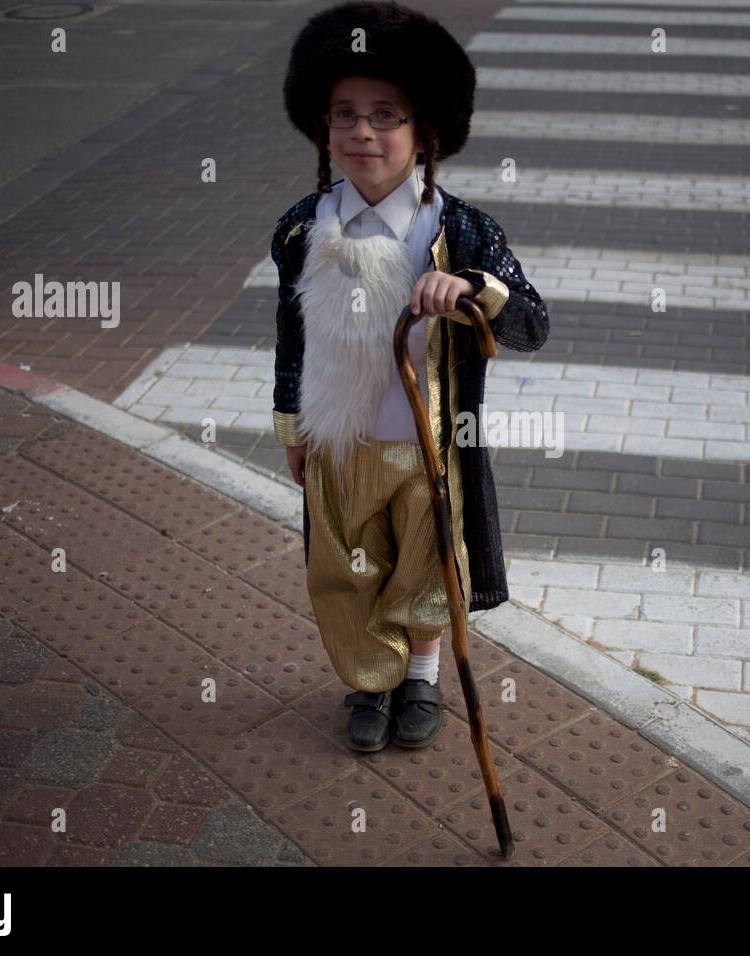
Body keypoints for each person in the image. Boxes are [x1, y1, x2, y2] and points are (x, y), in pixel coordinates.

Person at [270, 1, 549, 752]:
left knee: (428, 569)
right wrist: (293, 427)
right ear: (322, 127)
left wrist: (469, 291)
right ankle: (370, 684)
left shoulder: (457, 231)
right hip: (339, 446)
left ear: (423, 131)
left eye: (384, 115)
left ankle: (421, 674)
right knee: (349, 571)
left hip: (429, 448)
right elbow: (292, 335)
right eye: (344, 115)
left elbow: (531, 323)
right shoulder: (303, 228)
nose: (362, 132)